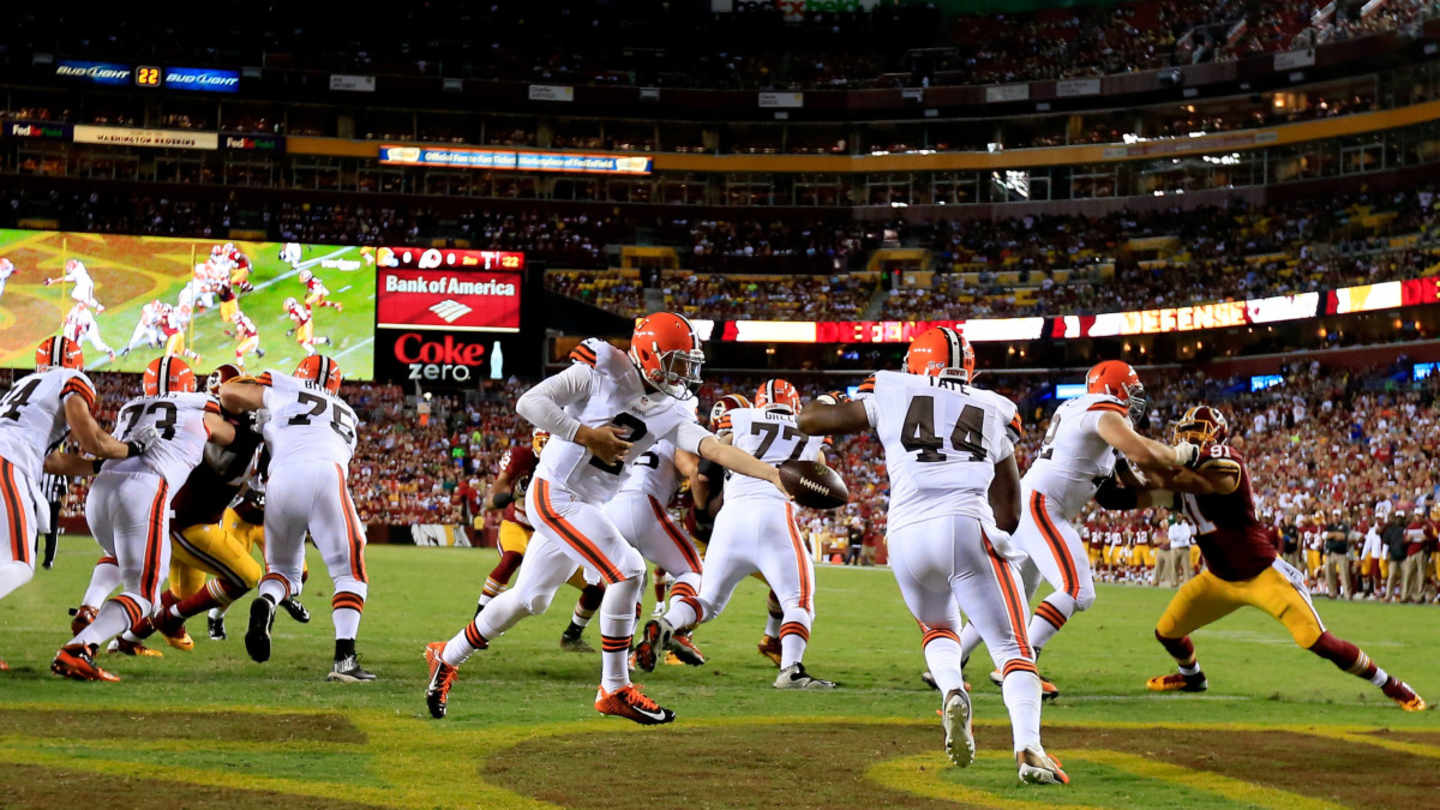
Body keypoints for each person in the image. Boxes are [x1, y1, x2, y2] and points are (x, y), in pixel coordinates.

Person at [422, 312, 787, 724]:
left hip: (588, 504)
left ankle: (446, 655)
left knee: (531, 599)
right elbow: (530, 403)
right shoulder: (602, 366)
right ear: (648, 354)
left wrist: (772, 473)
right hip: (556, 493)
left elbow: (713, 449)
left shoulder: (673, 406)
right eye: (676, 362)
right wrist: (585, 434)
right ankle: (614, 687)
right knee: (628, 571)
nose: (684, 374)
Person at [799, 325, 1069, 785]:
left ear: (916, 362)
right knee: (1013, 649)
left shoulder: (892, 387)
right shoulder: (993, 406)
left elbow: (810, 421)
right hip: (963, 522)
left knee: (938, 627)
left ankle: (951, 689)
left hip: (904, 536)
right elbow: (1009, 508)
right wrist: (989, 548)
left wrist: (826, 401)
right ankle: (1030, 748)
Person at [1135, 406, 1426, 711]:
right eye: (1184, 429)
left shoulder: (1228, 460)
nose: (1185, 435)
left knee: (1317, 641)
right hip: (1218, 578)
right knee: (1167, 631)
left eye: (1194, 429)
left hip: (1263, 574)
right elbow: (1132, 493)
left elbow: (1206, 465)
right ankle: (1192, 677)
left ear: (1213, 434)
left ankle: (1390, 684)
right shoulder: (1182, 485)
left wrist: (1165, 457)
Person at [960, 360, 1196, 696]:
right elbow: (1141, 451)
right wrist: (1179, 456)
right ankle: (1018, 665)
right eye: (1132, 391)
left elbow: (1113, 495)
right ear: (1114, 390)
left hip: (1034, 504)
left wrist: (1167, 497)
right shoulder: (1103, 411)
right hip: (1042, 506)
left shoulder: (1093, 422)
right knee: (1076, 589)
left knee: (1014, 597)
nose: (1137, 400)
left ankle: (954, 658)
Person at [634, 379, 835, 688]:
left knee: (708, 601)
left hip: (731, 518)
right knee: (798, 600)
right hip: (773, 516)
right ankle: (791, 669)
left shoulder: (740, 419)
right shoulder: (807, 431)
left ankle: (667, 623)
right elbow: (819, 471)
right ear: (794, 404)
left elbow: (712, 458)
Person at [50, 355, 234, 681]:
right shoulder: (201, 403)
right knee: (146, 596)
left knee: (120, 555)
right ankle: (79, 648)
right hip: (145, 490)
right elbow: (227, 437)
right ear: (188, 384)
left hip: (101, 491)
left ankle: (89, 607)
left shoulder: (130, 407)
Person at [220, 355, 373, 682]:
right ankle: (345, 660)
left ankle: (267, 602)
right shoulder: (348, 414)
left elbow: (228, 394)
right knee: (350, 572)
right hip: (325, 473)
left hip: (281, 479)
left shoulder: (284, 387)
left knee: (283, 571)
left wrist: (259, 410)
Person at [0, 337, 138, 611]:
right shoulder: (72, 377)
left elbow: (52, 461)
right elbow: (91, 440)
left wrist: (95, 467)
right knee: (19, 563)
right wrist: (130, 449)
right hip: (8, 460)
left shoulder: (23, 385)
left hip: (10, 455)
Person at [475, 429, 605, 652]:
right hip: (517, 524)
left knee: (596, 588)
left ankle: (572, 635)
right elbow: (491, 500)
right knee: (512, 558)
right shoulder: (521, 457)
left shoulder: (573, 463)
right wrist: (510, 494)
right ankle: (478, 623)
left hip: (551, 535)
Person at [39, 471, 67, 570]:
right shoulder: (39, 471)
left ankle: (48, 561)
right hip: (39, 503)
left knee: (52, 533)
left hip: (53, 505)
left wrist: (63, 508)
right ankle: (31, 557)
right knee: (33, 531)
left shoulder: (60, 475)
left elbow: (64, 493)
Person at [1322, 507, 1351, 599]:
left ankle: (1347, 594)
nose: (1336, 518)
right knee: (1329, 573)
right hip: (1331, 552)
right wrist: (1335, 535)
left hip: (1341, 553)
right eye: (1335, 516)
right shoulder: (1329, 526)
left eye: (1337, 516)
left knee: (1344, 574)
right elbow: (1325, 536)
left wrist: (1332, 535)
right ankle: (1332, 593)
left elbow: (1343, 537)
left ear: (1340, 516)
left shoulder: (1344, 526)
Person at [1382, 509, 1407, 601]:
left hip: (1404, 557)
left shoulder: (1406, 529)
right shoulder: (1390, 530)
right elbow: (1386, 543)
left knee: (1405, 577)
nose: (1399, 519)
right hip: (1393, 556)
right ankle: (1388, 595)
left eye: (1401, 518)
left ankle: (1403, 596)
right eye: (1398, 517)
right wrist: (1384, 556)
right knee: (1391, 576)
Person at [1166, 517, 1194, 586]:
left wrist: (1177, 537)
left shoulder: (1186, 526)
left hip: (1185, 548)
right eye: (1178, 517)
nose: (1179, 519)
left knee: (1186, 567)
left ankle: (1187, 583)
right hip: (1174, 549)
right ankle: (1174, 583)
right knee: (1174, 566)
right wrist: (1181, 537)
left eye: (1180, 517)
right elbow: (1171, 537)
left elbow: (1187, 536)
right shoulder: (1172, 527)